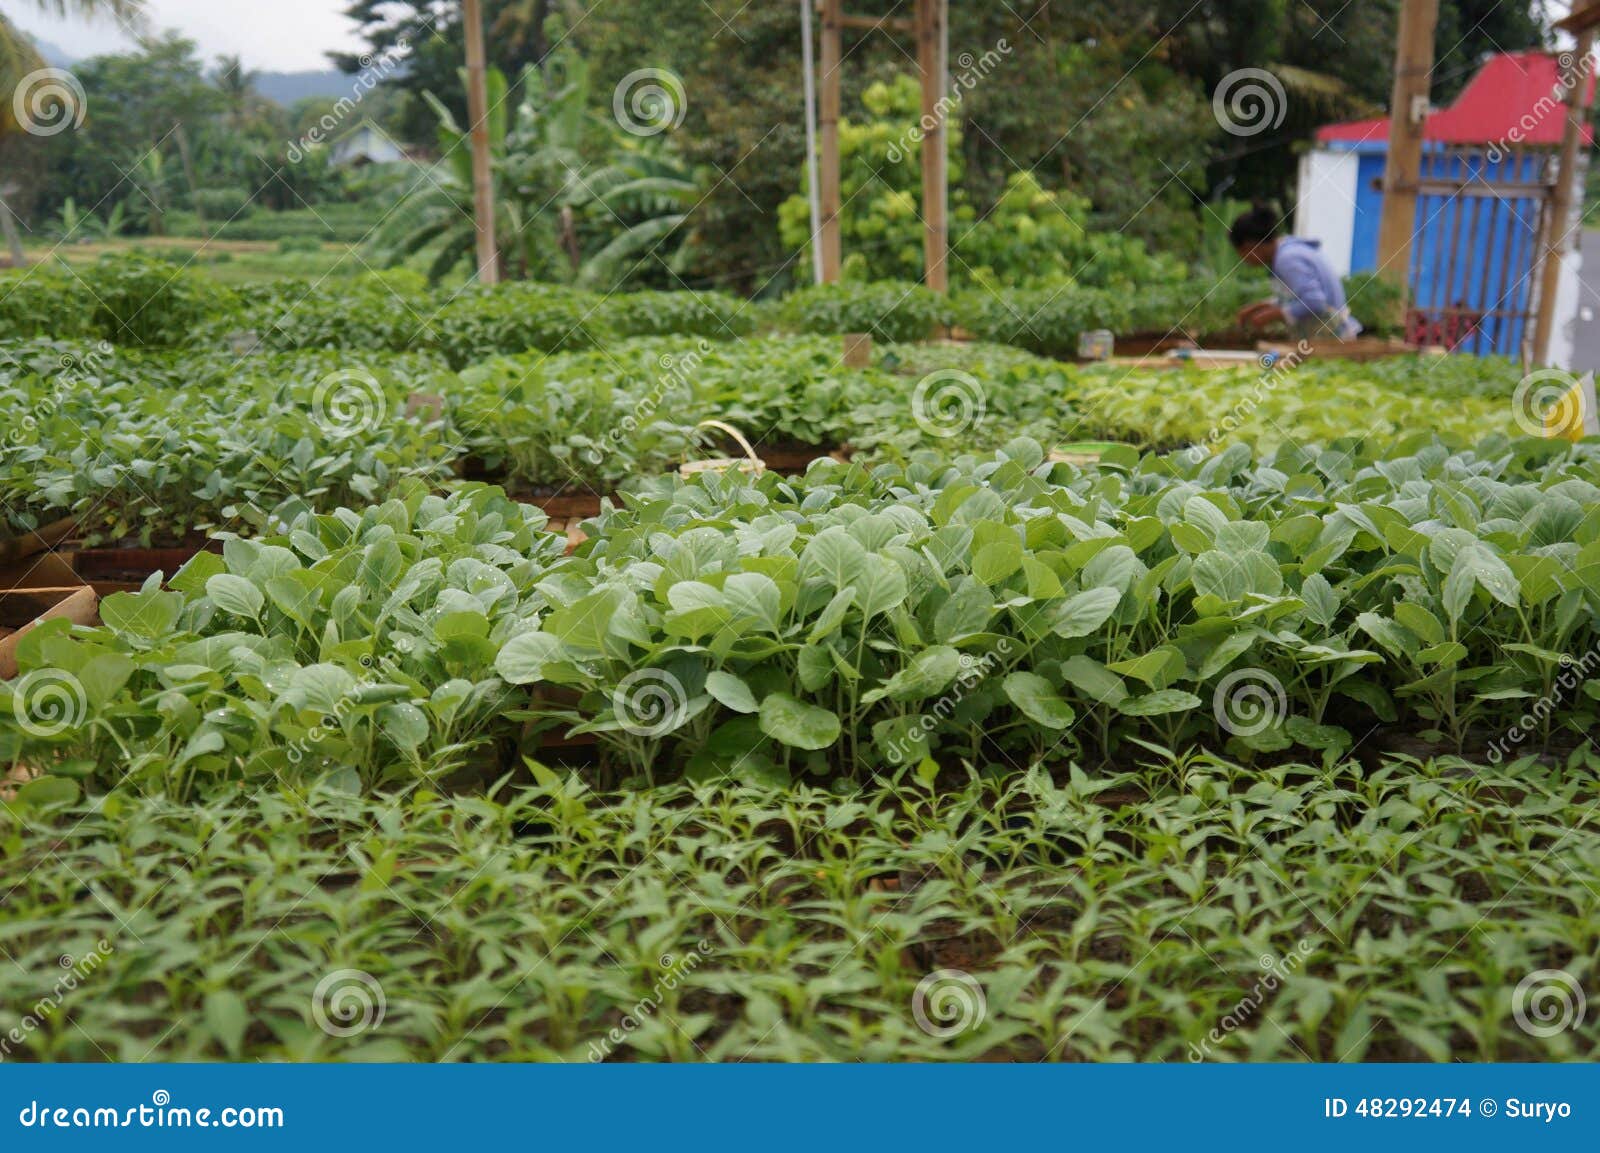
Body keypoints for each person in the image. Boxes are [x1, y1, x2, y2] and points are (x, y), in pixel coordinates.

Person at [1230, 206, 1361, 341]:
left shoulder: (1288, 259)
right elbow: (1295, 298)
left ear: (1250, 246)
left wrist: (1273, 315)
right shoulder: (1288, 252)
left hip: (1331, 341)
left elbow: (1315, 302)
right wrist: (1260, 307)